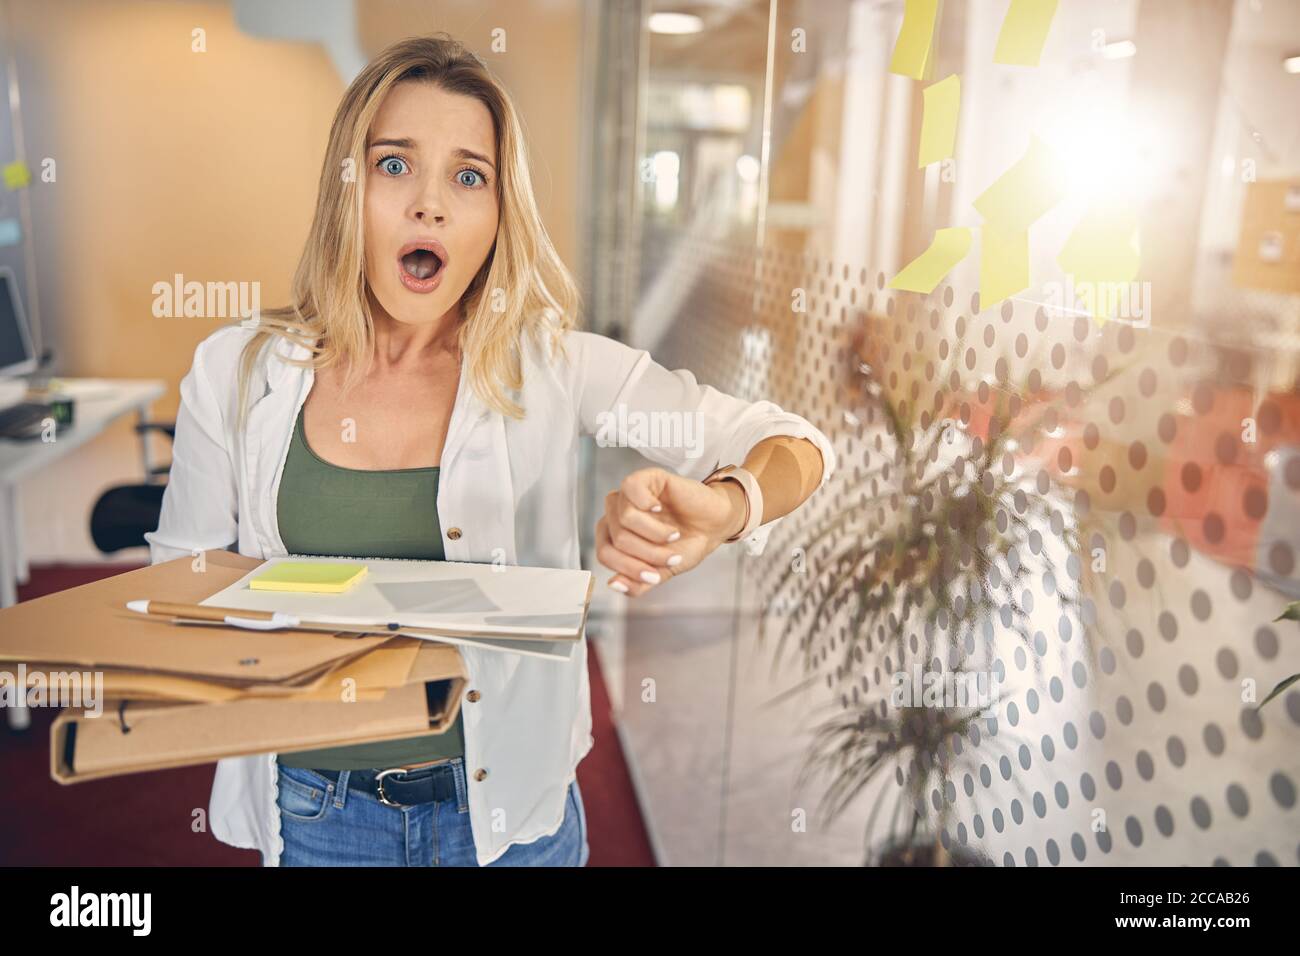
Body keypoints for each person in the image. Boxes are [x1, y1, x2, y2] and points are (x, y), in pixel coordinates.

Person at [145, 33, 836, 867]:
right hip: (319, 812)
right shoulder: (236, 369)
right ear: (346, 186)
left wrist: (724, 508)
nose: (429, 205)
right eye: (395, 165)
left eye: (468, 177)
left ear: (499, 213)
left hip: (510, 821)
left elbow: (793, 442)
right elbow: (177, 589)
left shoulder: (550, 365)